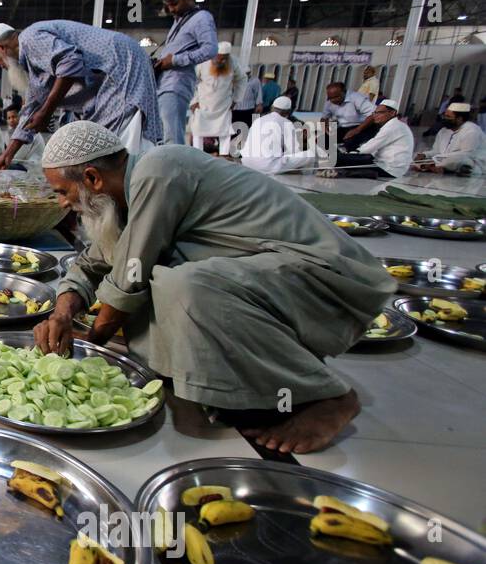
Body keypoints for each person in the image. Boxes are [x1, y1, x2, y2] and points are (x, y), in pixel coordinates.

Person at [34, 120, 392, 454]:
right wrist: (63, 312)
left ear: (93, 178)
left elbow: (130, 274)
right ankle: (230, 384)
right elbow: (90, 263)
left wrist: (88, 345)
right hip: (266, 275)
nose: (63, 204)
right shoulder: (123, 199)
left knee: (182, 284)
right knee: (167, 283)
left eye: (63, 192)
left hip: (320, 274)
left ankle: (326, 397)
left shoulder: (158, 169)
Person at [0, 20, 161, 169]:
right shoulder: (33, 68)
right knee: (103, 147)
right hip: (111, 76)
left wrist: (47, 111)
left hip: (121, 67)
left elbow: (70, 61)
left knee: (116, 147)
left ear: (1, 47)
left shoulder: (30, 38)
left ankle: (131, 194)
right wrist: (8, 154)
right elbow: (30, 112)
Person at [152, 0, 218, 145]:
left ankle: (177, 171)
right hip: (164, 84)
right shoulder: (180, 20)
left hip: (176, 84)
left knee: (172, 137)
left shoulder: (202, 18)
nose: (171, 9)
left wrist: (175, 60)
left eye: (174, 4)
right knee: (163, 136)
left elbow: (210, 49)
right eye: (168, 5)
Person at [189, 41, 245, 155]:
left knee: (224, 132)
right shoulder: (204, 62)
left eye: (224, 59)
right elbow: (191, 80)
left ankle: (223, 155)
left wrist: (236, 99)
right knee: (198, 131)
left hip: (223, 105)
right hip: (203, 104)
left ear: (227, 57)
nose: (220, 61)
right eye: (218, 58)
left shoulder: (233, 62)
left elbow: (242, 79)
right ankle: (197, 156)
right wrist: (193, 101)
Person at [331, 99, 412, 178]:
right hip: (384, 164)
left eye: (379, 113)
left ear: (392, 113)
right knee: (347, 158)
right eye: (374, 113)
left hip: (390, 169)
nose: (375, 116)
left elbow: (372, 145)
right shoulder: (394, 125)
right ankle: (358, 171)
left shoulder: (393, 126)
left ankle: (362, 172)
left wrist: (351, 154)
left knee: (339, 159)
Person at [241, 96, 319, 175]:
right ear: (288, 112)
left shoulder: (258, 120)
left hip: (247, 164)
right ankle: (315, 175)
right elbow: (294, 150)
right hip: (268, 167)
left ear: (272, 108)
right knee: (311, 154)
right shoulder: (287, 123)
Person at [415, 102, 486, 175]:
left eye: (448, 117)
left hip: (472, 161)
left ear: (459, 119)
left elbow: (467, 154)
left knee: (457, 160)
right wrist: (425, 155)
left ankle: (433, 166)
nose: (444, 119)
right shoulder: (443, 131)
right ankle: (435, 167)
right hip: (443, 159)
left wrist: (435, 159)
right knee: (416, 155)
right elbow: (437, 151)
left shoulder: (471, 131)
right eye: (444, 116)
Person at [321, 81, 377, 149]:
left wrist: (357, 130)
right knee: (322, 140)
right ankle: (335, 156)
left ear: (344, 92)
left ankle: (353, 157)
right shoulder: (329, 102)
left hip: (363, 126)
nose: (333, 100)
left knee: (350, 141)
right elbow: (324, 118)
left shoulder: (356, 97)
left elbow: (373, 114)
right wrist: (325, 128)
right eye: (331, 98)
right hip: (343, 128)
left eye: (336, 97)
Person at [231, 66, 260, 133]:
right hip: (236, 108)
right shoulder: (235, 80)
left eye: (247, 73)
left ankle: (243, 141)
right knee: (234, 127)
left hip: (248, 108)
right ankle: (234, 141)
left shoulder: (255, 81)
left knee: (246, 127)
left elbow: (258, 93)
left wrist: (259, 104)